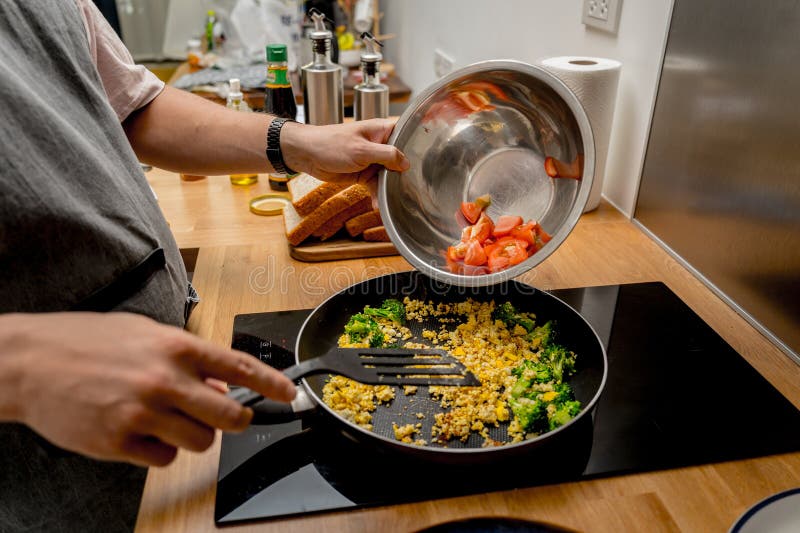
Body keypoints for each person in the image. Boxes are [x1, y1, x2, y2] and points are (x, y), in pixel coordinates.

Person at [0, 0, 409, 531]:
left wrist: (303, 142)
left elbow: (136, 107)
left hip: (180, 345)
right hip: (40, 454)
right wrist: (22, 365)